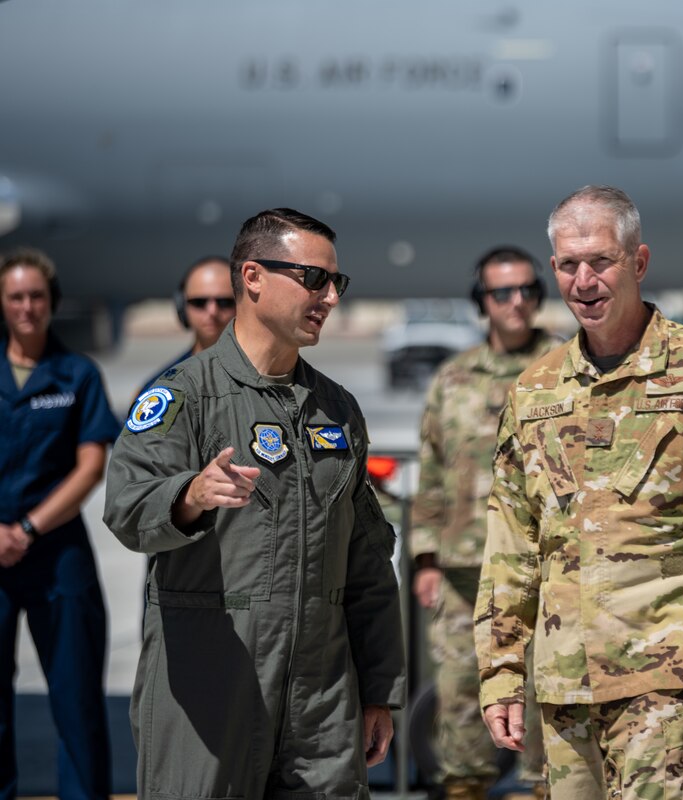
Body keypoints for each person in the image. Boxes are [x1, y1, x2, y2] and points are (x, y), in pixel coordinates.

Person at [476, 186, 683, 799]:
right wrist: (500, 671)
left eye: (601, 261)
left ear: (639, 262)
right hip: (565, 692)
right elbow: (511, 546)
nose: (585, 280)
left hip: (669, 687)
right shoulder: (535, 392)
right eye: (569, 265)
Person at [103, 208, 406, 799]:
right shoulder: (185, 396)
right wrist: (187, 496)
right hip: (210, 692)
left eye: (335, 283)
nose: (329, 297)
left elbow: (368, 561)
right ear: (253, 277)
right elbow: (126, 506)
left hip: (320, 706)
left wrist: (377, 691)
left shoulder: (337, 411)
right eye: (313, 279)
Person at [409, 246, 558, 799]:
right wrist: (425, 558)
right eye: (502, 292)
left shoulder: (565, 367)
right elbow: (431, 471)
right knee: (460, 696)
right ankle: (465, 788)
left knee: (548, 693)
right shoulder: (453, 379)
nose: (516, 302)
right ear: (482, 302)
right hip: (463, 568)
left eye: (526, 290)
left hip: (545, 566)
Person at [0, 247, 120, 800]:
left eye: (37, 297)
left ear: (52, 303)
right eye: (16, 297)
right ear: (3, 304)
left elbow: (91, 465)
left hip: (55, 549)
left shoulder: (77, 375)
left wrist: (25, 529)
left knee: (75, 700)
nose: (27, 307)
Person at [133, 255, 236, 401]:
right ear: (182, 307)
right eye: (199, 302)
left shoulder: (268, 375)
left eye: (225, 302)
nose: (212, 311)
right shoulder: (159, 389)